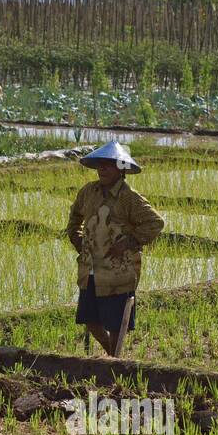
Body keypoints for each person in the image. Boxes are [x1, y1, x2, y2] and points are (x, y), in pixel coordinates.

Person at [66, 141, 165, 356]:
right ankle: (114, 358)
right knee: (90, 319)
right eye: (100, 164)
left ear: (121, 169)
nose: (102, 169)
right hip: (90, 269)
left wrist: (128, 243)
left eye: (108, 165)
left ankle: (113, 361)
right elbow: (74, 219)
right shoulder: (88, 192)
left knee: (115, 324)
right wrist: (80, 242)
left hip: (117, 273)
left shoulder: (128, 197)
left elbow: (155, 223)